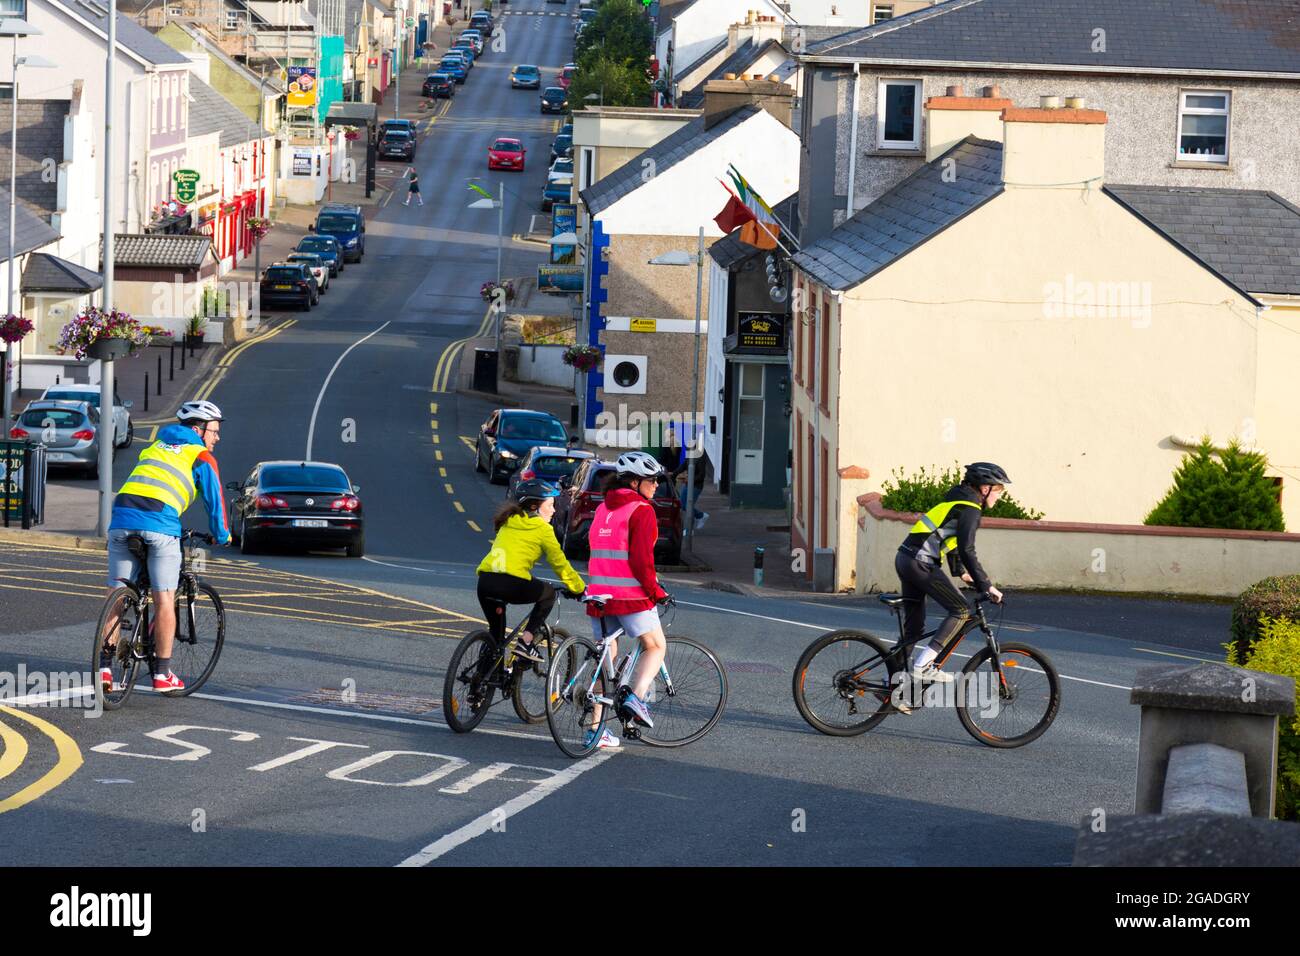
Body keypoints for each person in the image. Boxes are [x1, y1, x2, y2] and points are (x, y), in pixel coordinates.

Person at [102, 400, 231, 694]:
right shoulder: (200, 456)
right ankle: (162, 673)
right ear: (199, 430)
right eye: (214, 430)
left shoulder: (155, 447)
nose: (217, 437)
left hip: (121, 516)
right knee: (164, 598)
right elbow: (215, 503)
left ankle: (104, 670)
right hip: (160, 525)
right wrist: (223, 536)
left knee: (116, 594)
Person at [895, 462, 1008, 696]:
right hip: (921, 563)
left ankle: (891, 687)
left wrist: (961, 574)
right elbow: (968, 549)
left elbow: (952, 544)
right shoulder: (970, 508)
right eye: (998, 489)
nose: (1000, 495)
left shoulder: (955, 502)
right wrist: (986, 585)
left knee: (913, 630)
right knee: (961, 611)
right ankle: (923, 665)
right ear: (985, 488)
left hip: (906, 559)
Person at [585, 451, 673, 748]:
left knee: (605, 661)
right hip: (629, 596)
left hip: (599, 594)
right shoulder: (641, 510)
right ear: (635, 482)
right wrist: (655, 591)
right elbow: (640, 561)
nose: (656, 485)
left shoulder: (601, 510)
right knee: (656, 646)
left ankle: (594, 730)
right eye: (652, 480)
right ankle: (633, 701)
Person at [476, 478, 584, 664]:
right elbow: (559, 563)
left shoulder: (508, 521)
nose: (554, 510)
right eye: (550, 505)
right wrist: (579, 588)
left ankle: (481, 681)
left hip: (485, 582)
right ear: (535, 506)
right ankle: (526, 643)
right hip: (511, 583)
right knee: (548, 594)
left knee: (496, 636)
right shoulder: (543, 529)